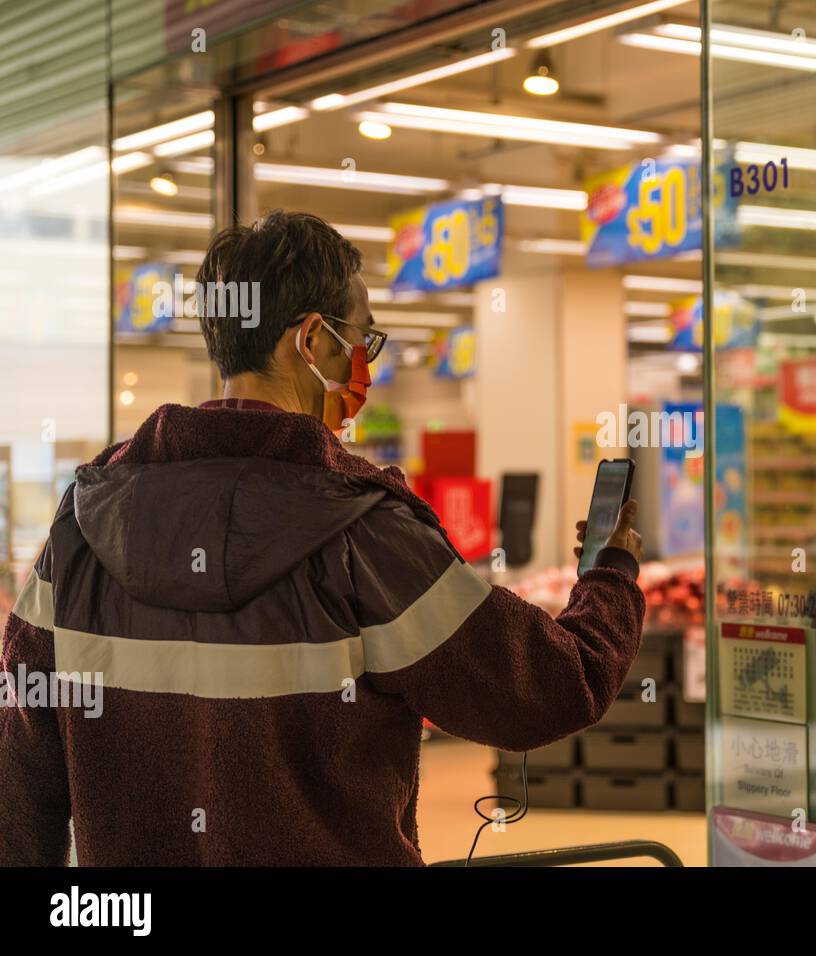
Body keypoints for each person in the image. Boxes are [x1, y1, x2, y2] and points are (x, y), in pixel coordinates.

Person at [0, 210, 645, 866]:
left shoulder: (81, 527)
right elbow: (547, 689)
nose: (366, 361)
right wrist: (611, 574)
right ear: (312, 340)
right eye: (363, 337)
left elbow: (21, 786)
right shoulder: (366, 532)